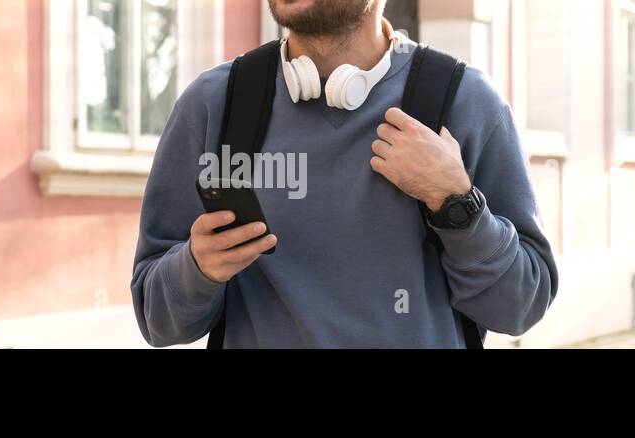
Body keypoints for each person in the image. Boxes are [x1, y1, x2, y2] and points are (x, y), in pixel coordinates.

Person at [130, 0, 557, 348]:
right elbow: (158, 323)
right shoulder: (213, 104)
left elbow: (519, 309)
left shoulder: (466, 102)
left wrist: (456, 204)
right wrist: (197, 269)